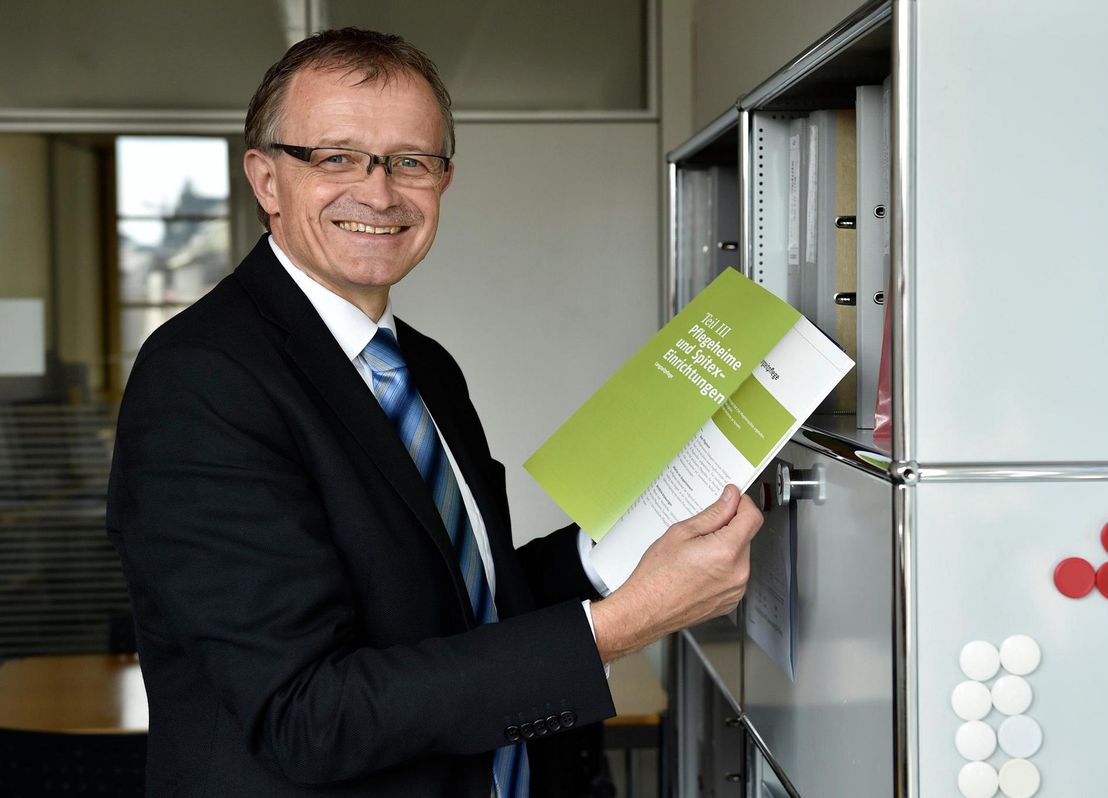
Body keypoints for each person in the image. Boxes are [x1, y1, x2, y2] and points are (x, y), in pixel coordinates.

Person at [107, 27, 762, 797]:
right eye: (337, 157)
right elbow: (307, 716)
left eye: (410, 161)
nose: (379, 192)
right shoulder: (201, 379)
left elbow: (466, 603)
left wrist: (616, 555)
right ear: (266, 179)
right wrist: (627, 623)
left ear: (443, 180)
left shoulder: (424, 365)